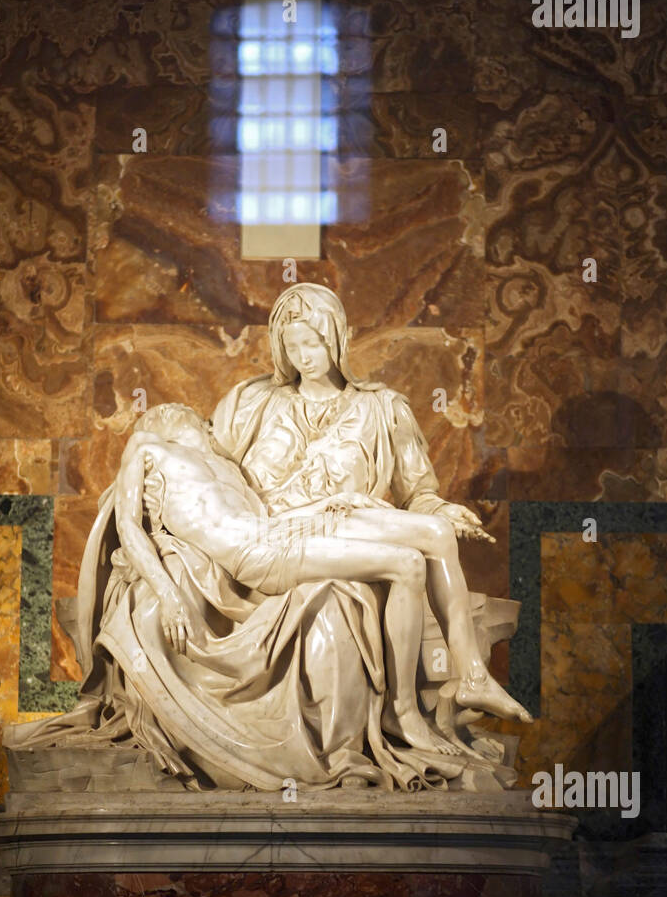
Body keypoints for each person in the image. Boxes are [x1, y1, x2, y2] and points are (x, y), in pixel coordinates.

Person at [212, 282, 530, 725]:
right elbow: (207, 471)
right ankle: (447, 690)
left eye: (314, 343)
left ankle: (472, 677)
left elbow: (416, 492)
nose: (304, 356)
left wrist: (439, 509)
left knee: (436, 530)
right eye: (293, 345)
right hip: (272, 536)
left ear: (337, 339)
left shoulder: (383, 409)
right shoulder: (251, 403)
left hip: (343, 523)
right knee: (414, 547)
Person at [116, 401, 466, 760]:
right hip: (257, 556)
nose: (196, 419)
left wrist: (333, 501)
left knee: (428, 539)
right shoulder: (146, 445)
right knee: (405, 564)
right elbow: (127, 526)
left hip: (279, 535)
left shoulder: (227, 469)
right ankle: (402, 713)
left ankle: (461, 681)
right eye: (176, 410)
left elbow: (267, 519)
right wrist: (168, 593)